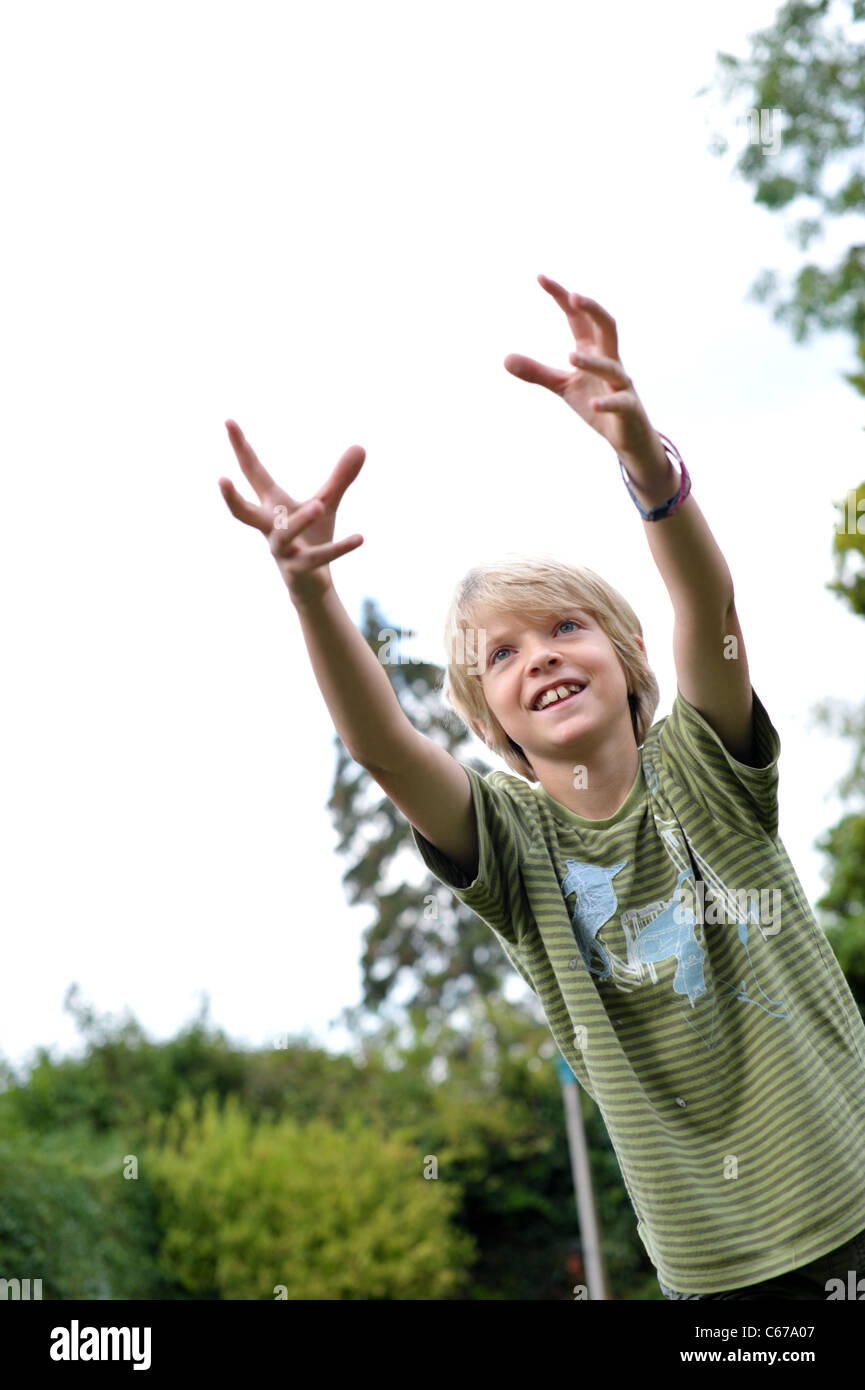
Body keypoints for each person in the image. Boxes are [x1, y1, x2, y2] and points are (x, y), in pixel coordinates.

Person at [218, 274, 865, 1300]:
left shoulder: (706, 764)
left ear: (624, 655)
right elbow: (382, 745)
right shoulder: (513, 846)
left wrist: (644, 465)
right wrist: (310, 593)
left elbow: (708, 599)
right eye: (505, 653)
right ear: (488, 719)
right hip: (714, 1273)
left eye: (566, 628)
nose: (543, 658)